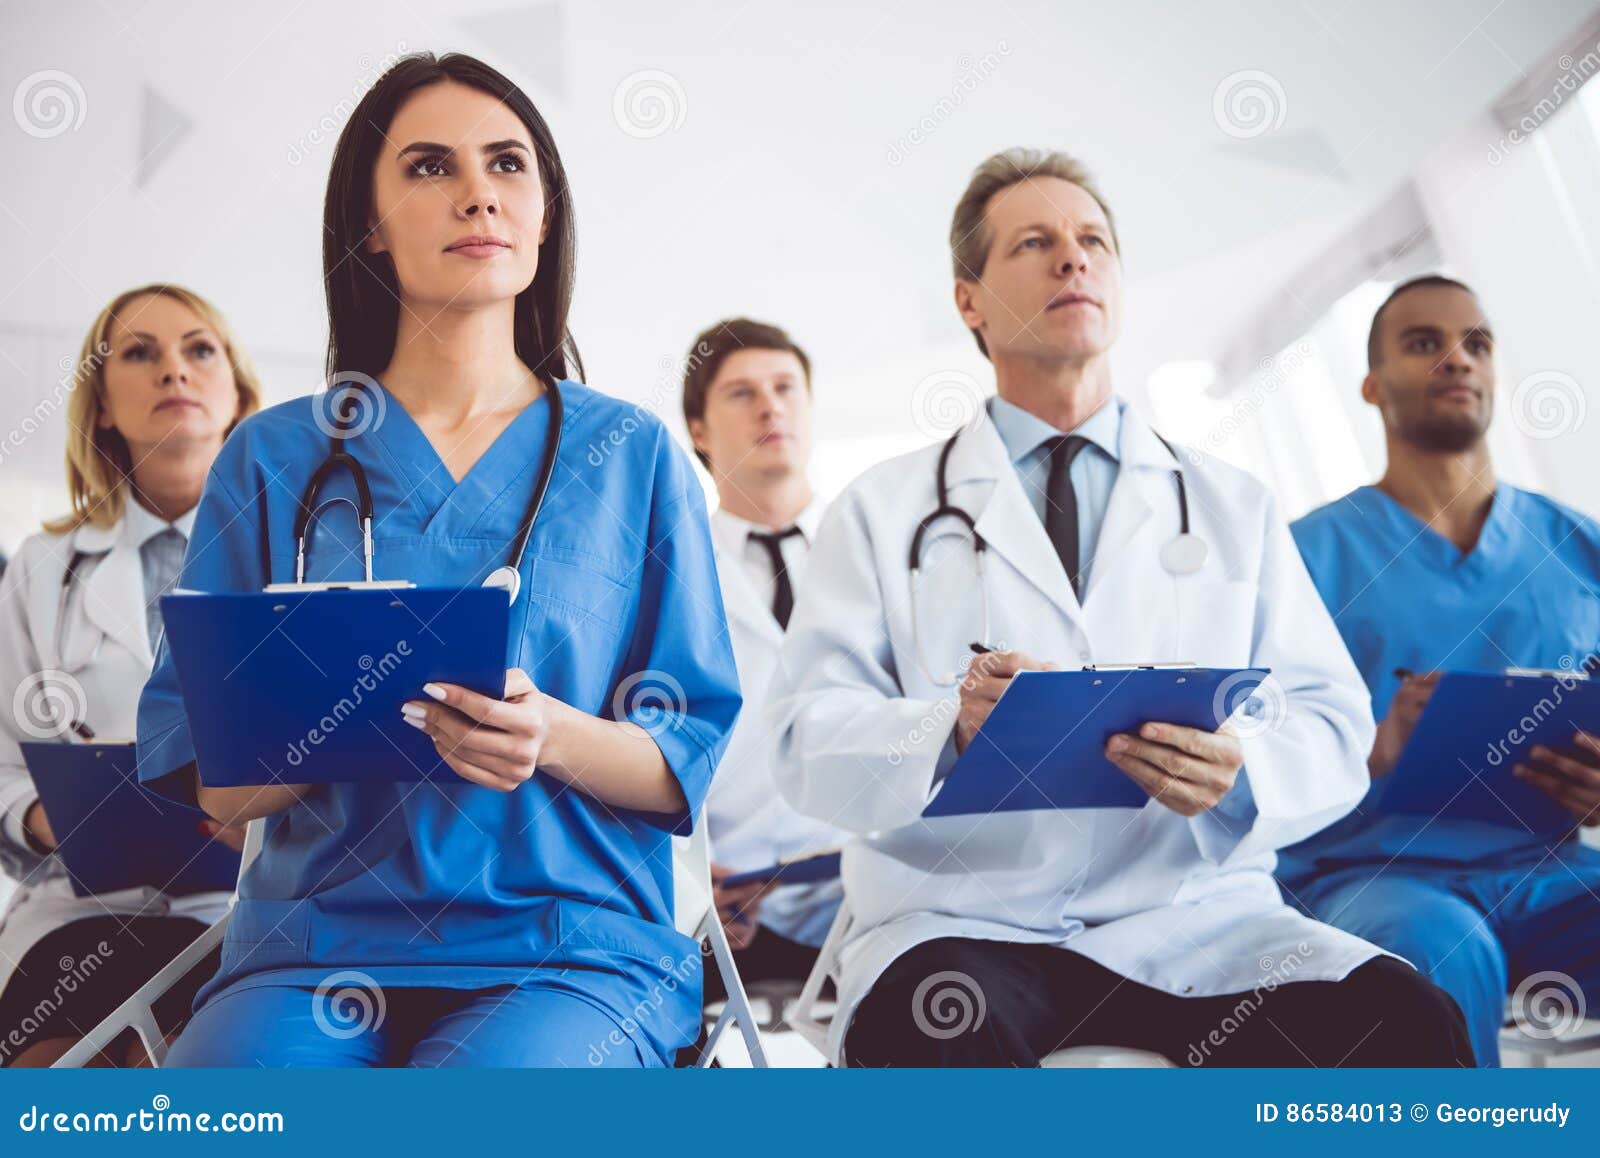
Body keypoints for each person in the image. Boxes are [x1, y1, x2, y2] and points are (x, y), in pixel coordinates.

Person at [766, 148, 1474, 1067]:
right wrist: (949, 728)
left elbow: (1334, 724)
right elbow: (804, 740)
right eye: (1035, 243)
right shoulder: (882, 511)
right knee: (933, 1041)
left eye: (1093, 239)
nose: (1074, 259)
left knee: (1408, 1025)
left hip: (1200, 927)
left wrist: (1240, 772)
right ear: (969, 300)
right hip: (963, 928)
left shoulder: (1231, 505)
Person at [137, 52, 741, 1069]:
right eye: (428, 167)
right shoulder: (272, 457)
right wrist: (330, 723)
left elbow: (676, 762)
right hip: (314, 951)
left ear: (544, 214)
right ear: (367, 224)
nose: (477, 193)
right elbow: (221, 793)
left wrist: (546, 735)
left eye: (508, 165)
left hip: (570, 954)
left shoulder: (631, 455)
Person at [1278, 275, 1600, 1067]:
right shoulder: (1299, 559)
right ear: (1371, 383)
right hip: (1378, 878)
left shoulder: (1577, 546)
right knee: (1432, 955)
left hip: (1549, 869)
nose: (1457, 359)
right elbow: (1247, 758)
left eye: (1476, 344)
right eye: (1424, 343)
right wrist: (1372, 750)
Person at [0, 283, 259, 1066]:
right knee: (58, 1058)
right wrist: (56, 820)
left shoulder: (308, 559)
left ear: (238, 394)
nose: (172, 371)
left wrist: (266, 817)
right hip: (82, 913)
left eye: (198, 349)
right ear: (103, 406)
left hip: (250, 902)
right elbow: (4, 765)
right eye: (140, 354)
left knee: (211, 1055)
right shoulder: (43, 569)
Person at [681, 318, 844, 1001]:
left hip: (862, 895)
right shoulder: (671, 566)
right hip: (718, 906)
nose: (771, 406)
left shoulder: (882, 554)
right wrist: (684, 883)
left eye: (785, 388)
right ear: (698, 429)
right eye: (742, 393)